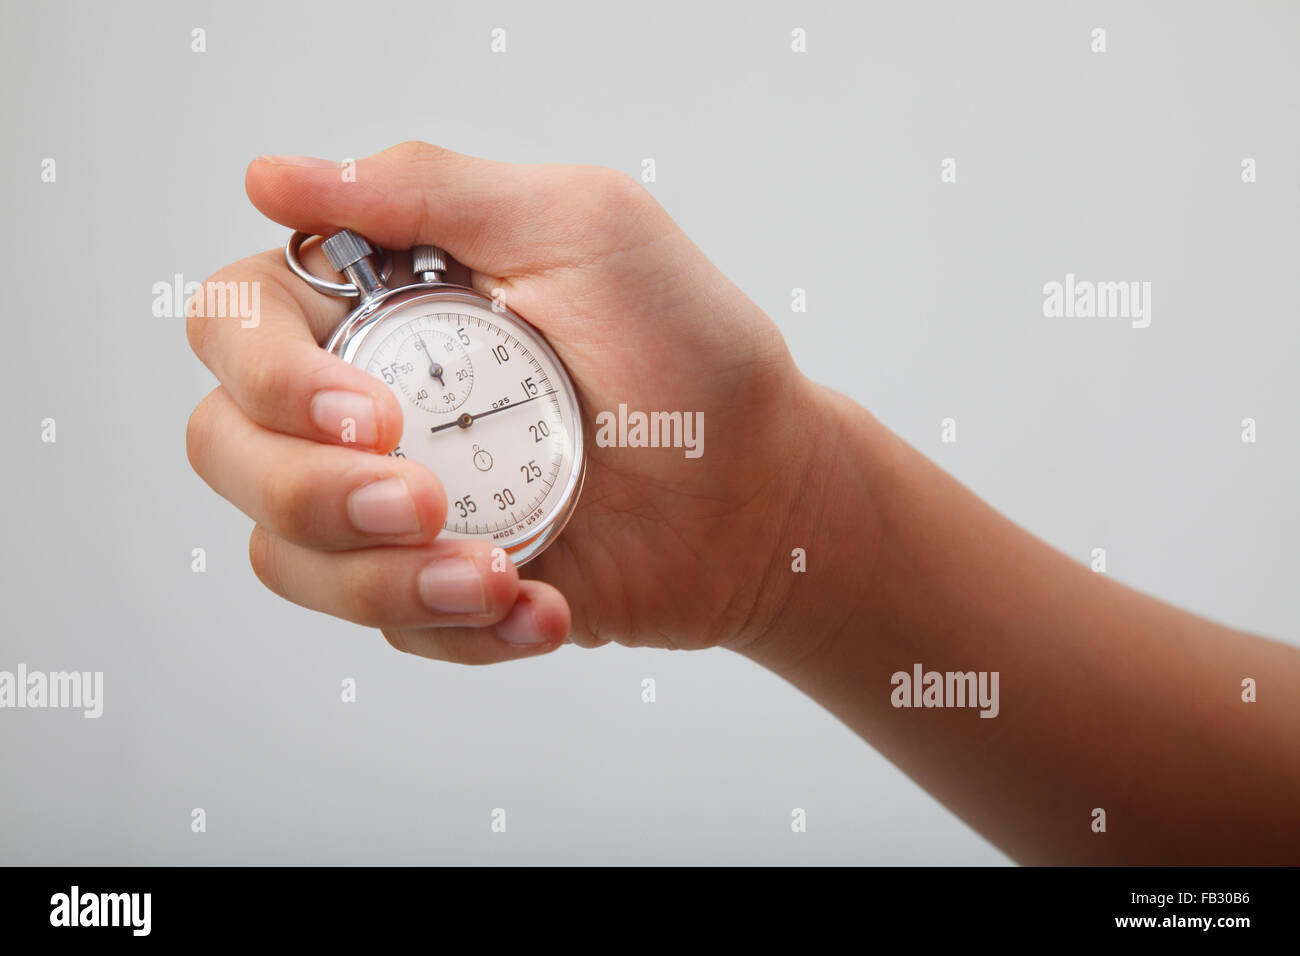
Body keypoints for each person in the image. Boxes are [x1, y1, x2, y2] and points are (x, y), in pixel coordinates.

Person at [185, 142, 1300, 865]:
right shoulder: (415, 338)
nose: (470, 412)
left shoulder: (478, 357)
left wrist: (786, 526)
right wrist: (788, 514)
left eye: (484, 394)